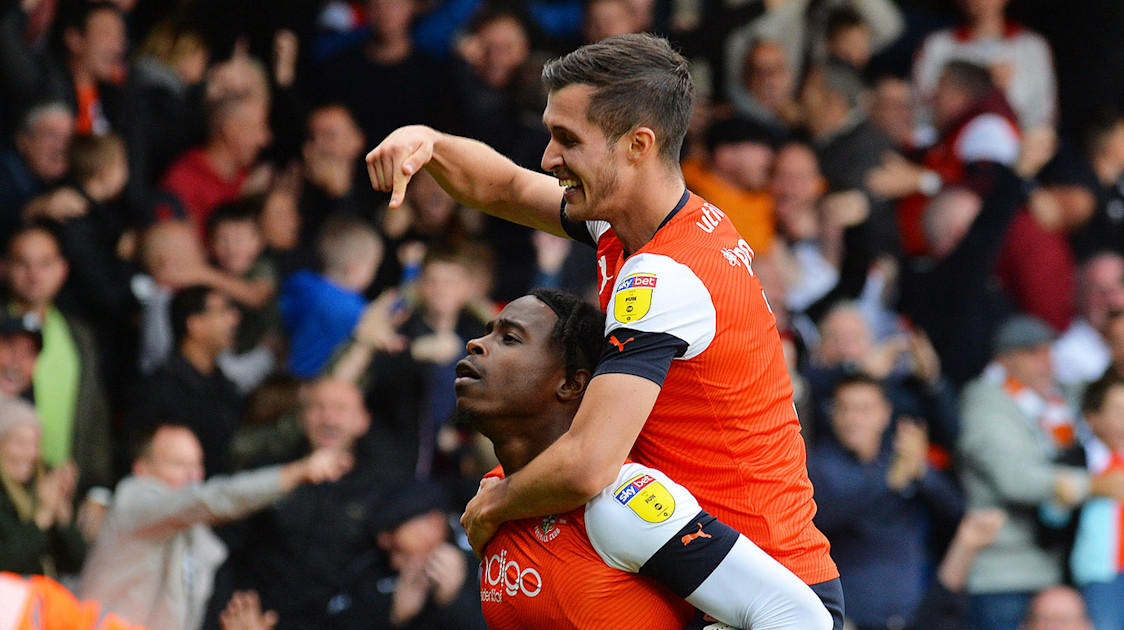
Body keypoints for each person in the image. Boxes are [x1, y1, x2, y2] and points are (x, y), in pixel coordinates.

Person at [367, 33, 842, 624]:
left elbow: (590, 463)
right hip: (701, 566)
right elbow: (506, 187)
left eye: (568, 139)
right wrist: (430, 143)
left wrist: (493, 505)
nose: (548, 157)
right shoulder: (633, 222)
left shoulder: (665, 276)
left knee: (608, 503)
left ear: (638, 145)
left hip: (767, 592)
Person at [457, 289, 831, 628]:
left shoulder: (616, 501)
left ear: (571, 384)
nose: (475, 343)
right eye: (488, 332)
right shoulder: (493, 495)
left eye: (509, 338)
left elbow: (801, 617)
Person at [77, 423, 352, 630]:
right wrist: (296, 473)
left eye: (198, 464)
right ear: (142, 469)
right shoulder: (133, 501)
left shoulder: (200, 535)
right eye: (179, 464)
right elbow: (210, 499)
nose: (194, 476)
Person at [808, 373, 962, 630]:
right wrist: (888, 483)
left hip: (913, 613)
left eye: (864, 410)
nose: (852, 419)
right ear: (832, 415)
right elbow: (822, 518)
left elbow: (954, 513)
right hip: (850, 615)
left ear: (885, 413)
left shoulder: (902, 458)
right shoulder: (819, 464)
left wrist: (921, 473)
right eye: (844, 409)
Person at [5, 223, 114, 492]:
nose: (34, 275)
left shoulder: (80, 336)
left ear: (62, 269)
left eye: (45, 263)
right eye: (23, 263)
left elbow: (95, 414)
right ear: (4, 267)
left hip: (66, 490)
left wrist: (98, 489)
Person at [126, 285, 242, 476]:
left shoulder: (226, 387)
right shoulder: (157, 389)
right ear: (194, 324)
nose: (234, 318)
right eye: (223, 311)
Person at [0, 398, 86, 578]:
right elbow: (9, 563)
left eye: (35, 443)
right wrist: (43, 515)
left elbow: (75, 562)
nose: (30, 453)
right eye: (19, 443)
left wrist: (62, 513)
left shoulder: (40, 484)